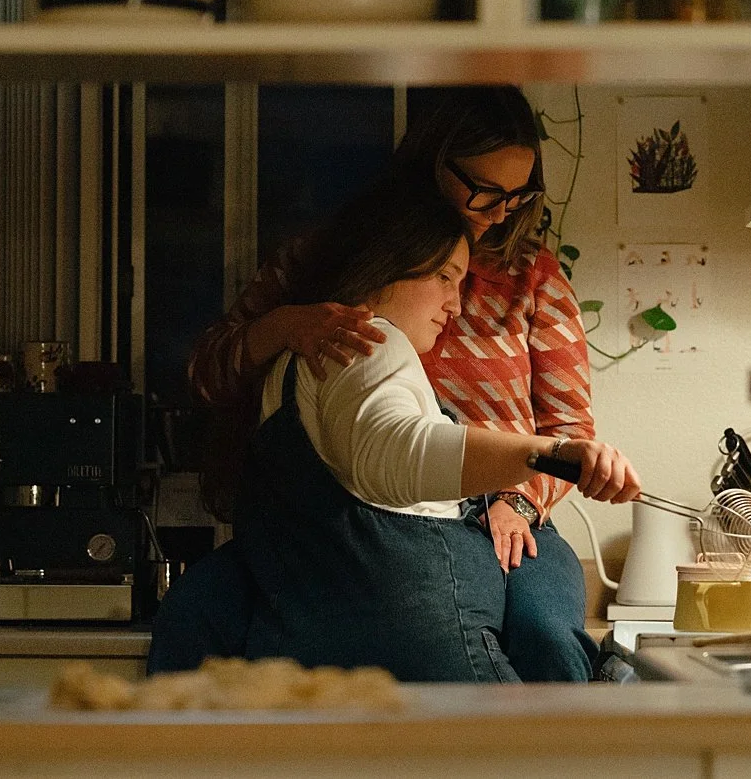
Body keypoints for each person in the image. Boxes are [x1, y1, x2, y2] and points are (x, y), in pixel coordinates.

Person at [188, 86, 601, 681]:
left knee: (547, 640)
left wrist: (518, 501)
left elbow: (568, 428)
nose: (500, 212)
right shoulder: (319, 261)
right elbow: (206, 377)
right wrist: (283, 325)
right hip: (329, 525)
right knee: (198, 621)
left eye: (518, 196)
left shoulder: (530, 278)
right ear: (432, 164)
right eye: (485, 190)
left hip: (501, 516)